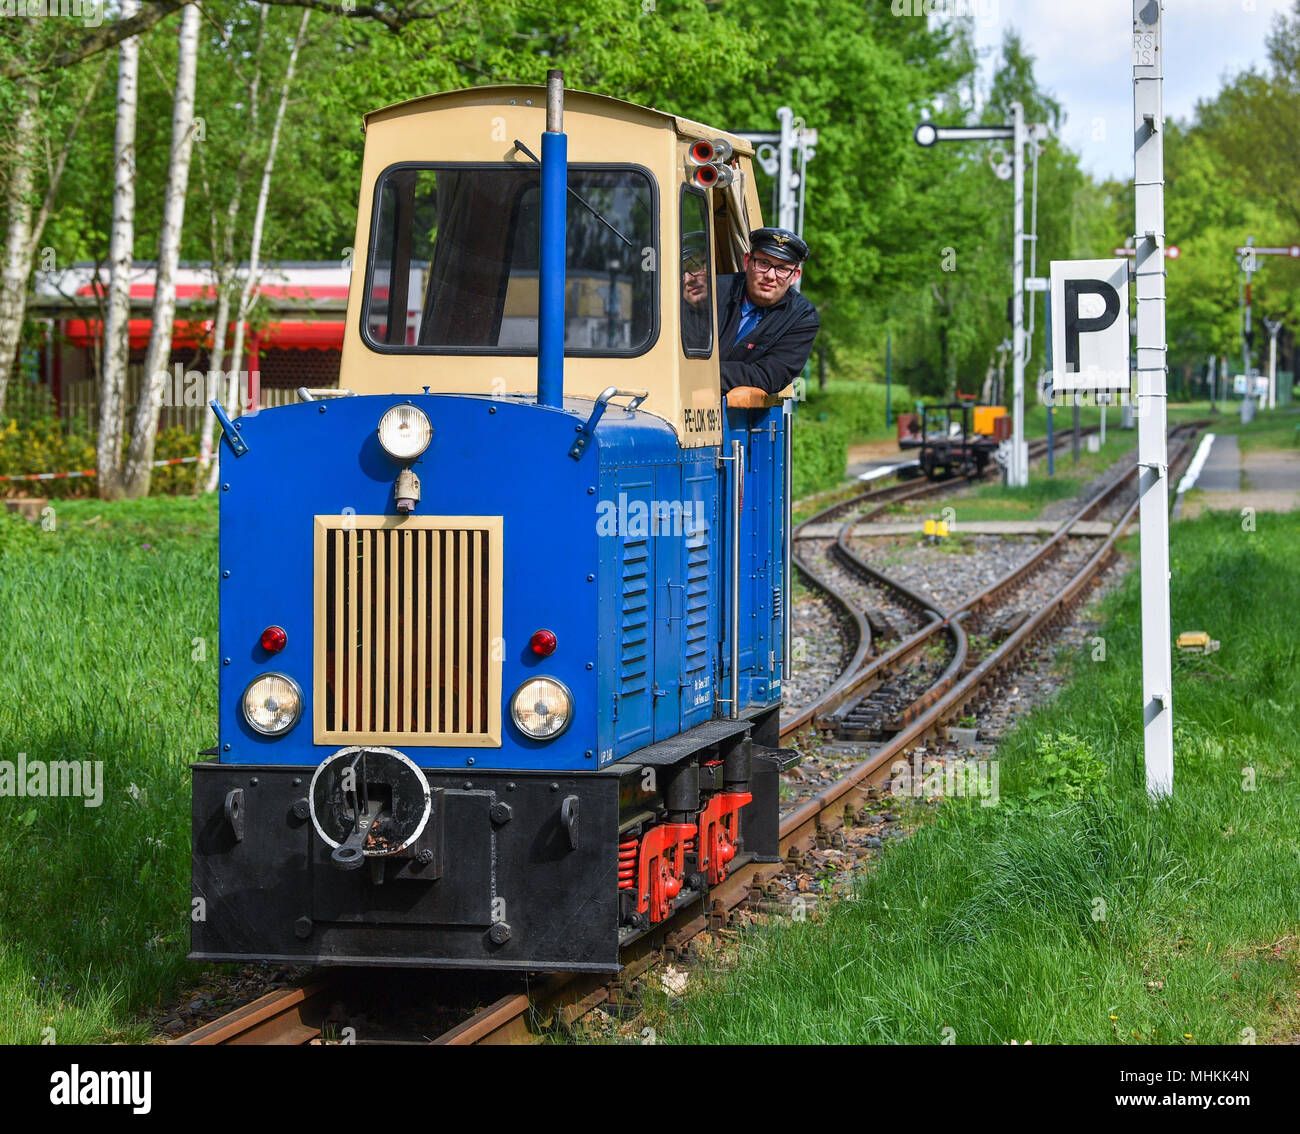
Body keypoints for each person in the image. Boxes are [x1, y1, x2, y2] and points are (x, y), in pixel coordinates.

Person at [716, 227, 819, 395]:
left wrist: (706, 373)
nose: (770, 276)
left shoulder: (802, 317)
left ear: (795, 276)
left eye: (782, 269)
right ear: (747, 261)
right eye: (763, 263)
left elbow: (770, 376)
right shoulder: (711, 292)